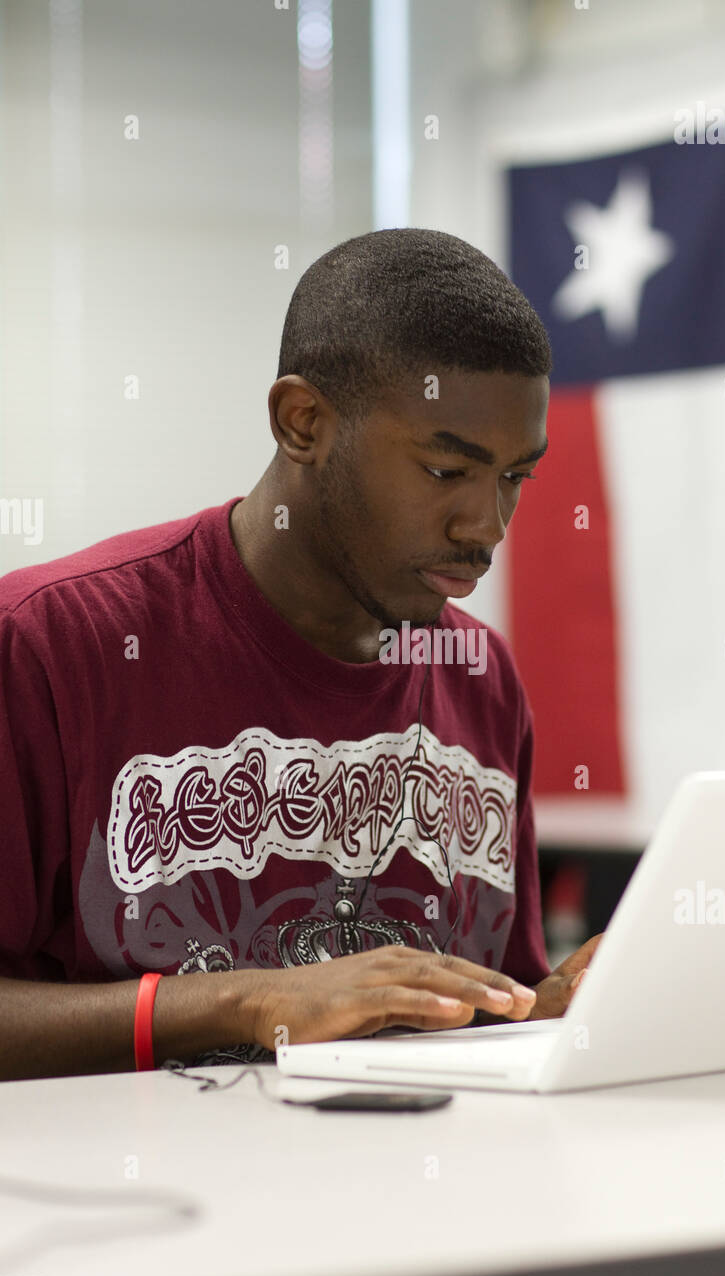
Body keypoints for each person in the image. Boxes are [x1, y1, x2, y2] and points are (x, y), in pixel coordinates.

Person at [0, 228, 600, 1082]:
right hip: (152, 1208)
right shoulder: (47, 644)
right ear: (304, 422)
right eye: (444, 472)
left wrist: (563, 1002)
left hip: (434, 1200)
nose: (486, 527)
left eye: (515, 478)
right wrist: (252, 1002)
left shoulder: (483, 677)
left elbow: (486, 1006)